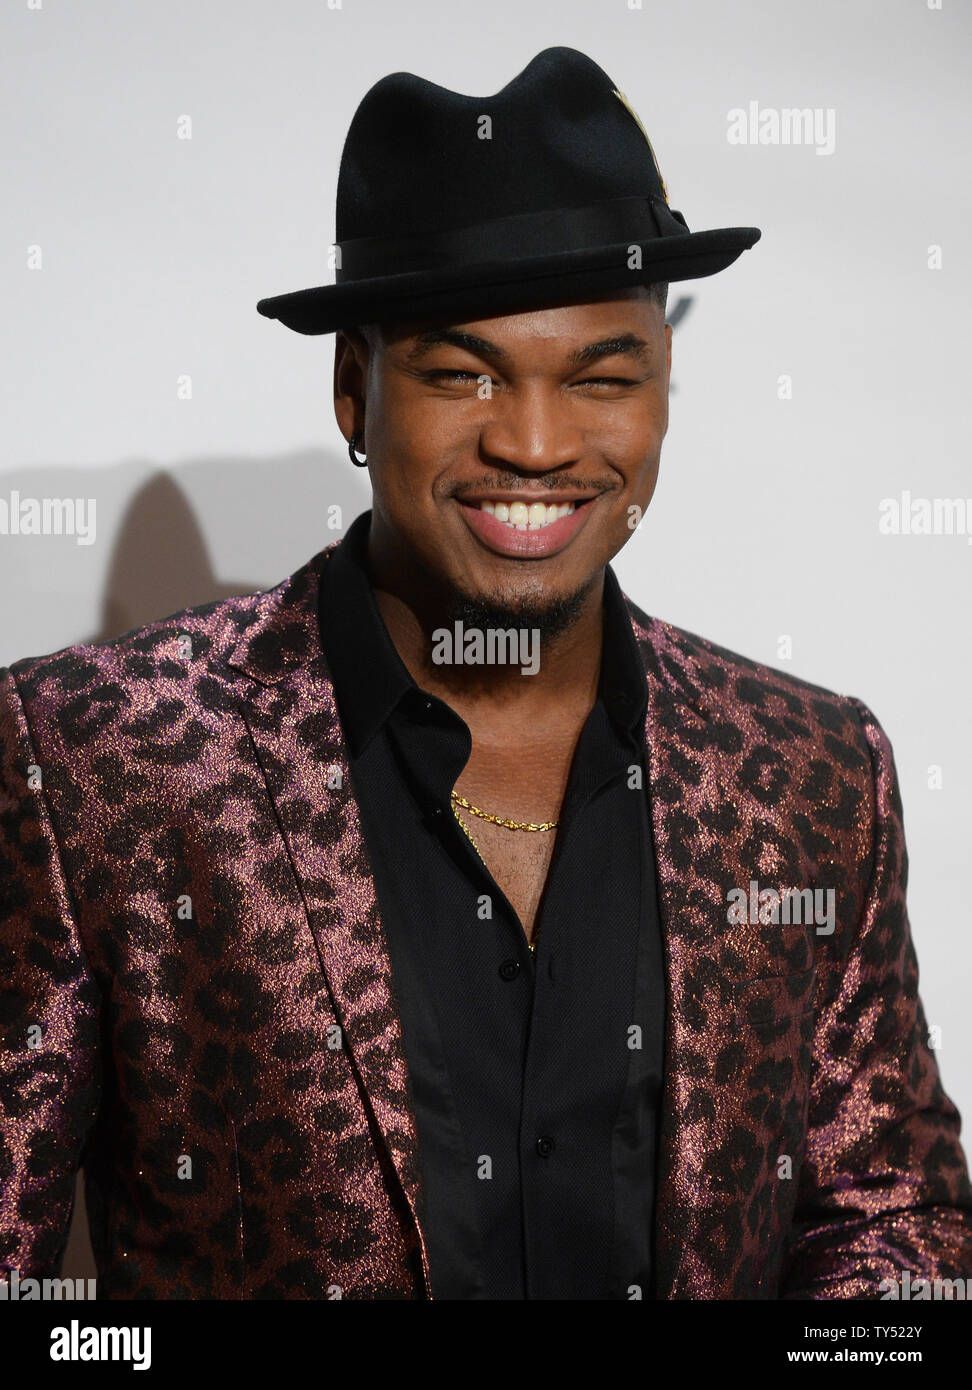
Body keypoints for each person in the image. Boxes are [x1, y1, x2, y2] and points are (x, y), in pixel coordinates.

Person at [1, 46, 970, 1300]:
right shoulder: (95, 762)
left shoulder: (812, 779)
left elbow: (895, 1228)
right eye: (463, 373)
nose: (535, 441)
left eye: (601, 377)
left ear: (664, 392)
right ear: (357, 389)